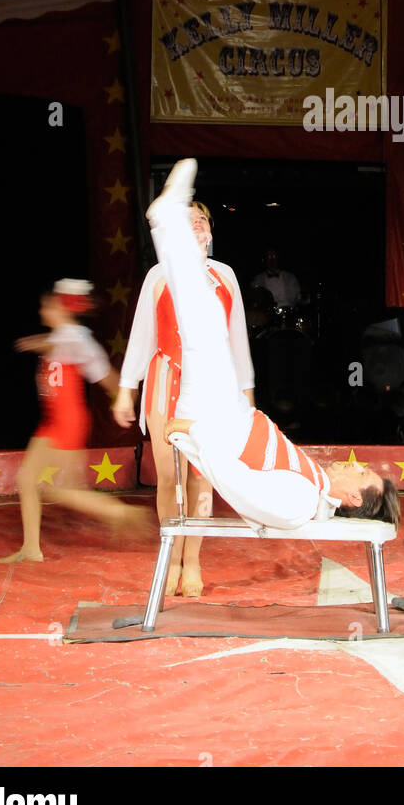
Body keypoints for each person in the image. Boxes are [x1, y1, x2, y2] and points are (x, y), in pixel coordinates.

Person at [149, 159, 400, 531]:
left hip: (215, 421)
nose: (353, 462)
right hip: (231, 414)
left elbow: (235, 484)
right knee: (204, 320)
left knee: (203, 325)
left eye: (360, 472)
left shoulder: (299, 501)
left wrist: (192, 430)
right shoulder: (313, 483)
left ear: (353, 499)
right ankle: (172, 231)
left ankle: (170, 224)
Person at [113, 199, 255, 597]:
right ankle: (170, 556)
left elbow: (238, 342)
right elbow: (141, 337)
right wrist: (127, 389)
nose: (195, 226)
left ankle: (192, 560)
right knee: (170, 477)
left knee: (203, 477)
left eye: (201, 220)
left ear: (210, 230)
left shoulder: (224, 276)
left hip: (212, 384)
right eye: (187, 221)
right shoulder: (159, 275)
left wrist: (247, 398)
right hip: (165, 379)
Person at [0, 280, 149, 564]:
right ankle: (31, 548)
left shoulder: (77, 338)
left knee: (62, 490)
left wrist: (123, 397)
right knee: (27, 480)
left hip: (68, 422)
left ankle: (122, 513)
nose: (43, 309)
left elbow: (106, 376)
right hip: (52, 423)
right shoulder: (65, 337)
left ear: (61, 308)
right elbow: (57, 343)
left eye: (48, 304)